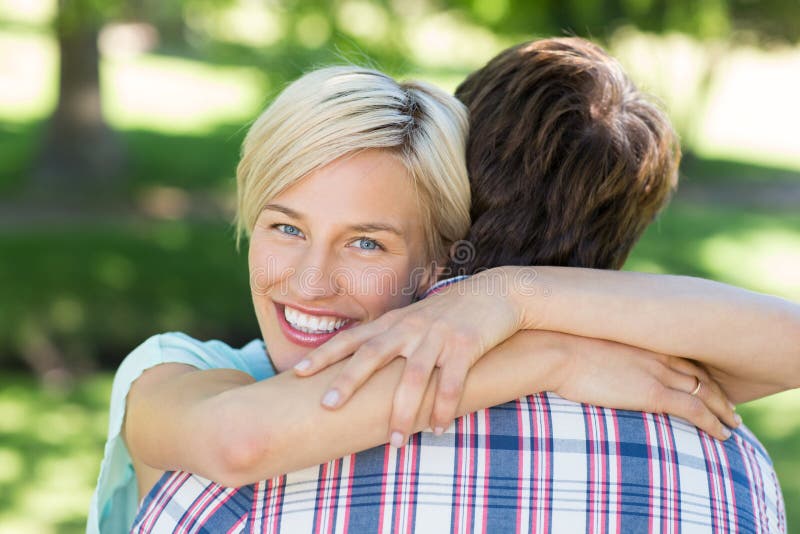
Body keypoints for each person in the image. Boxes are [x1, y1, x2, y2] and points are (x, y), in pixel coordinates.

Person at [91, 43, 796, 532]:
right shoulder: (176, 371)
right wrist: (555, 357)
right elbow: (239, 439)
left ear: (437, 257)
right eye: (283, 226)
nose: (309, 280)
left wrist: (513, 297)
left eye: (367, 241)